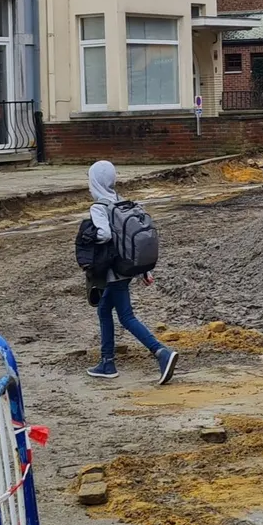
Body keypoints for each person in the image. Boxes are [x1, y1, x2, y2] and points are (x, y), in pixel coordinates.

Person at [84, 160, 178, 384]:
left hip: (112, 273)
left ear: (94, 182)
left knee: (126, 317)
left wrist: (89, 237)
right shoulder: (120, 203)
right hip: (126, 268)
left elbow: (106, 235)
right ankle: (107, 362)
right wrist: (142, 270)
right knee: (104, 310)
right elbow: (129, 237)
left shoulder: (99, 207)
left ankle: (161, 352)